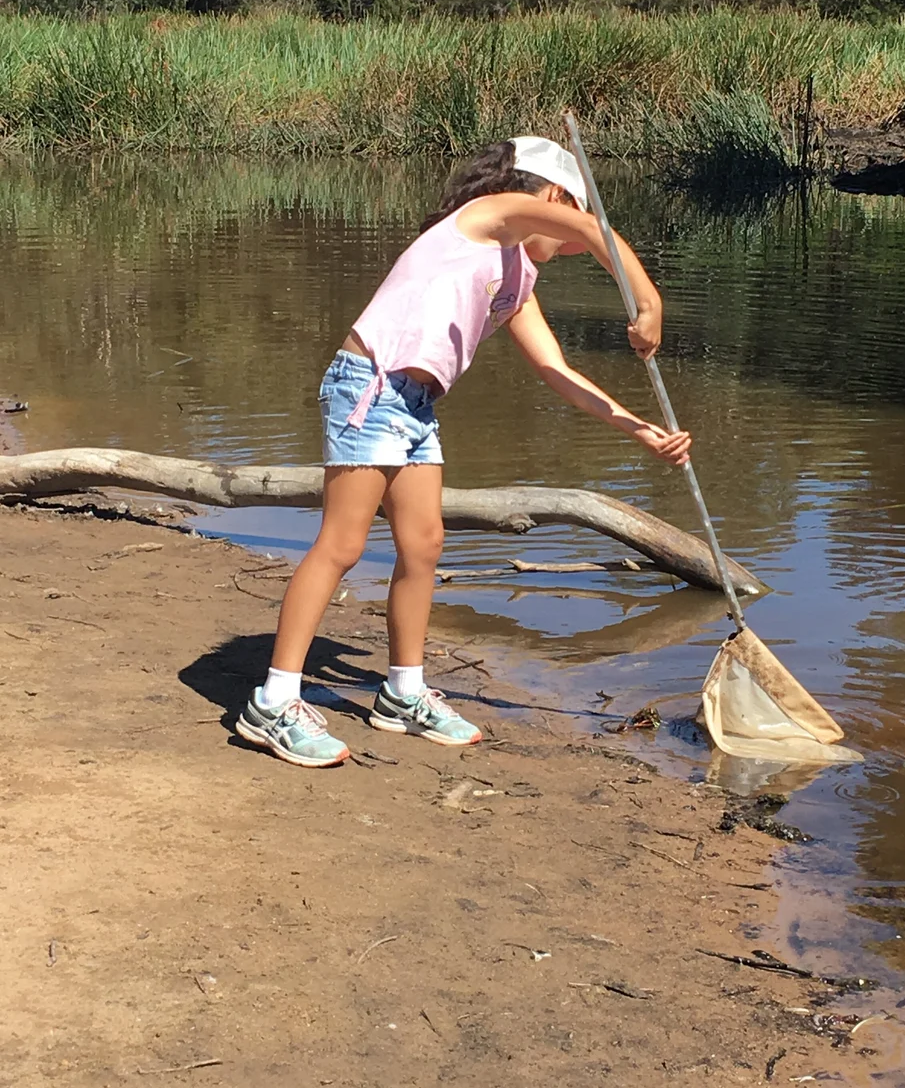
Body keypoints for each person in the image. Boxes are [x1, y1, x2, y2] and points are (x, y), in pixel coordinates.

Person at [236, 136, 692, 767]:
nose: (569, 240)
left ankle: (403, 693)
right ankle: (274, 701)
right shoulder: (486, 218)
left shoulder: (518, 277)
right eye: (568, 215)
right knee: (342, 544)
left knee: (424, 545)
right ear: (550, 197)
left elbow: (556, 369)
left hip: (416, 406)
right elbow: (592, 232)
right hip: (370, 386)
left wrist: (640, 429)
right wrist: (650, 303)